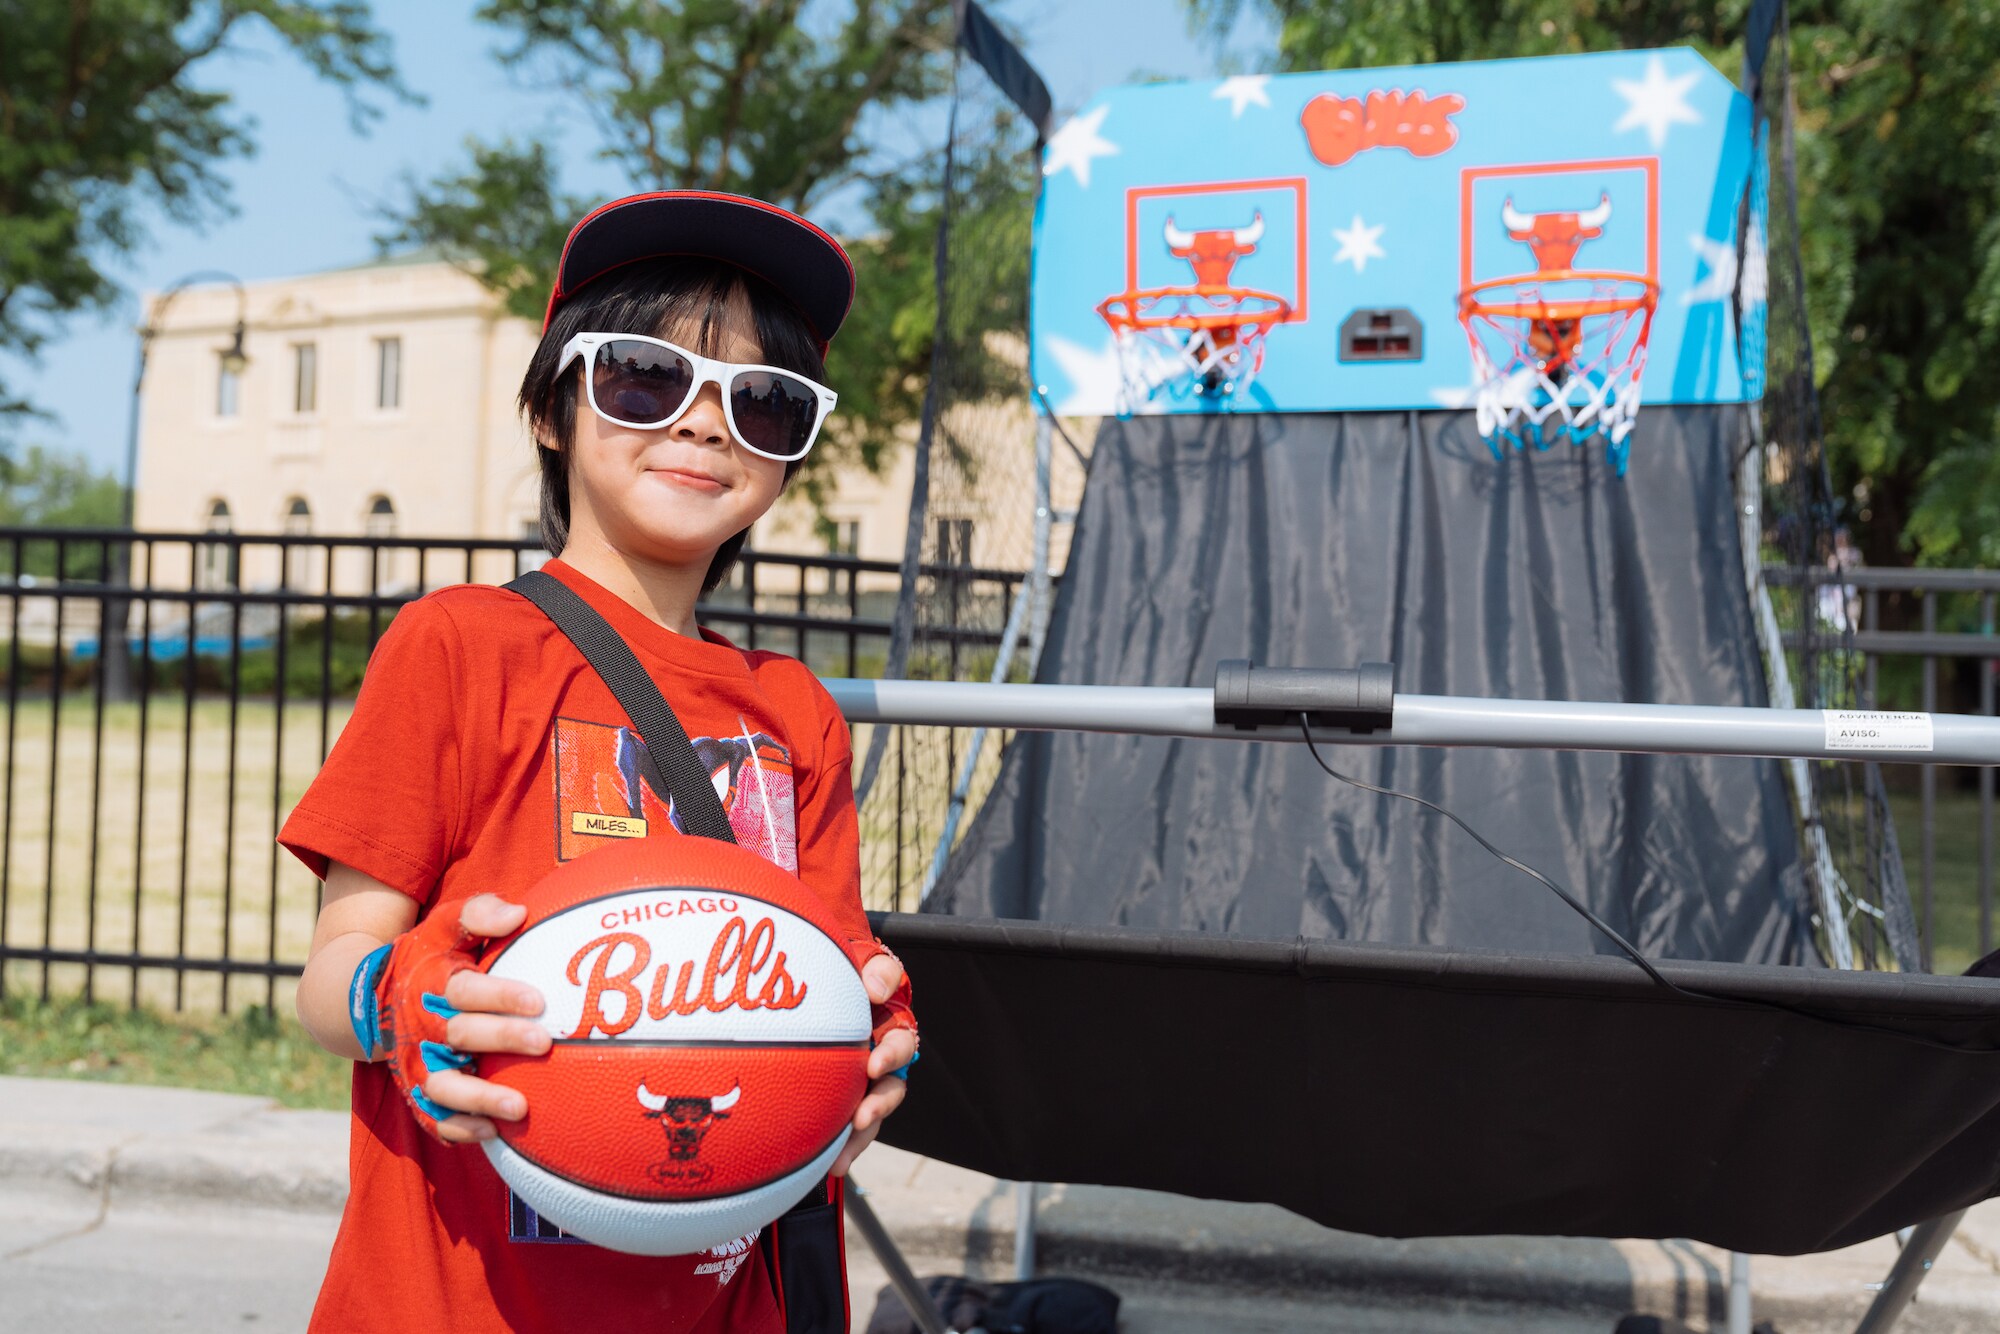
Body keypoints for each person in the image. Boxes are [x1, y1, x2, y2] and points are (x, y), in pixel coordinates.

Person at [284, 191, 917, 1333]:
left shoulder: (796, 711)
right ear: (551, 408)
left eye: (763, 401)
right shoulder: (460, 643)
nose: (702, 423)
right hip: (450, 1300)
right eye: (644, 376)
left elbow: (833, 965)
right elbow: (330, 972)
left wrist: (864, 1038)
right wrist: (397, 998)